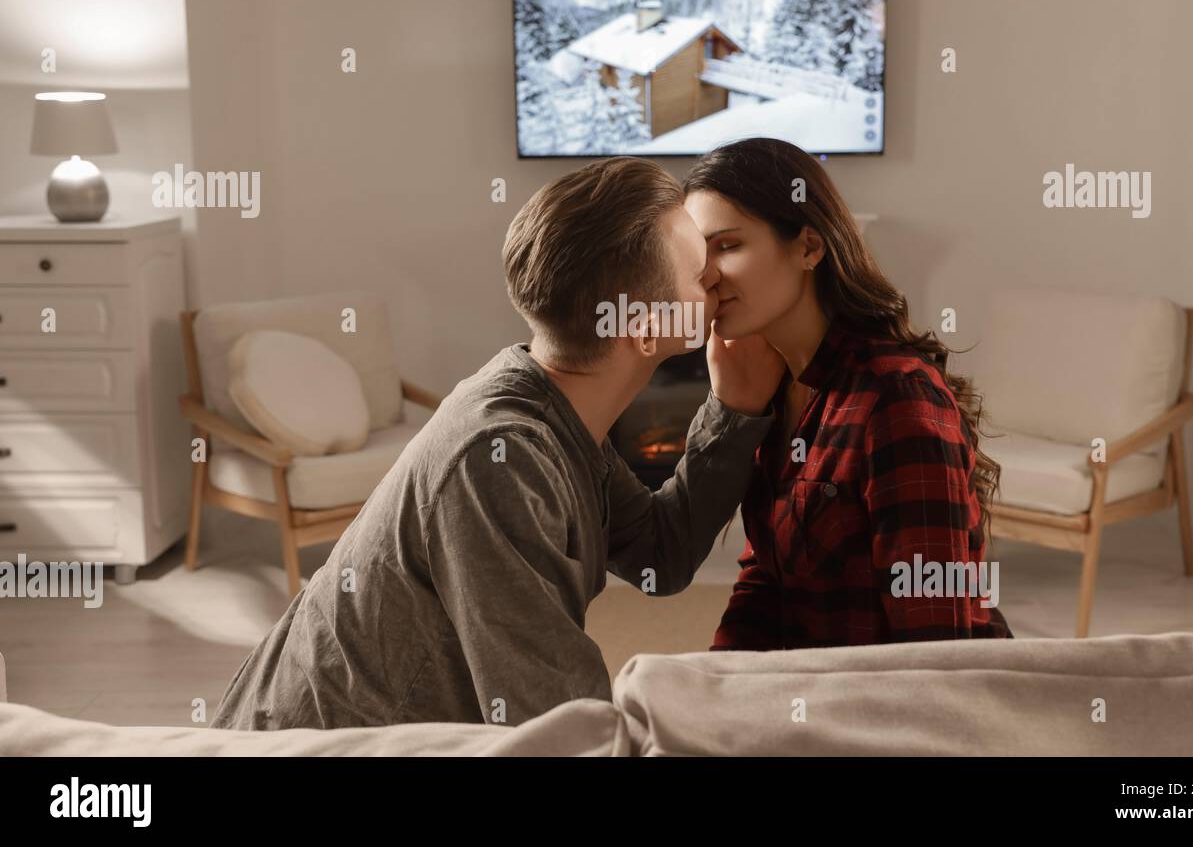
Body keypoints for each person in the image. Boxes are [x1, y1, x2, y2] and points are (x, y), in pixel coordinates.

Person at [211, 157, 782, 730]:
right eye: (698, 271)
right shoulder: (500, 459)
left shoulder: (551, 401)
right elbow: (558, 727)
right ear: (643, 327)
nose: (717, 278)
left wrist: (734, 411)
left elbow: (662, 554)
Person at [682, 137, 1014, 649]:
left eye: (728, 246)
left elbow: (935, 646)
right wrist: (714, 682)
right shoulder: (773, 388)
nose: (706, 275)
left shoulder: (896, 398)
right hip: (810, 698)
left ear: (810, 246)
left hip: (896, 710)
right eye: (697, 254)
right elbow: (767, 576)